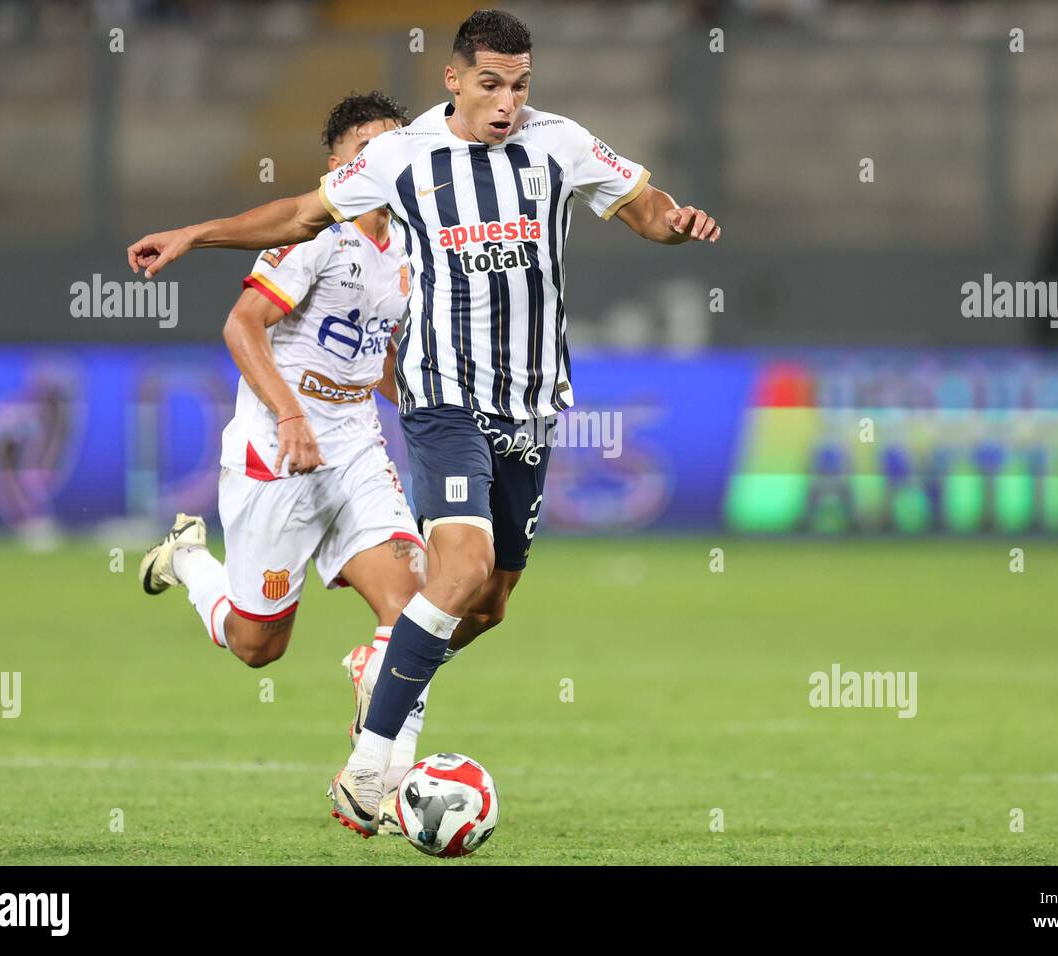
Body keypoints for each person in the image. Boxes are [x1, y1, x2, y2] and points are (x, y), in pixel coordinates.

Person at [127, 9, 720, 838]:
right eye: (490, 84)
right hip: (424, 407)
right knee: (313, 624)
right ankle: (371, 768)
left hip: (520, 406)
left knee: (484, 601)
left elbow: (642, 206)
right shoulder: (400, 164)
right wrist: (195, 233)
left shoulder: (560, 143)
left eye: (519, 85)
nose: (507, 103)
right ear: (453, 78)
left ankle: (384, 667)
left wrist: (675, 222)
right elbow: (296, 220)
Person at [136, 92, 433, 822]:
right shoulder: (317, 235)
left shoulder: (411, 246)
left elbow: (375, 357)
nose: (385, 163)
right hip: (279, 456)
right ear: (338, 167)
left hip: (357, 448)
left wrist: (427, 416)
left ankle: (378, 780)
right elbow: (243, 326)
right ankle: (188, 561)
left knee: (417, 603)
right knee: (257, 645)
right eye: (368, 150)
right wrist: (292, 414)